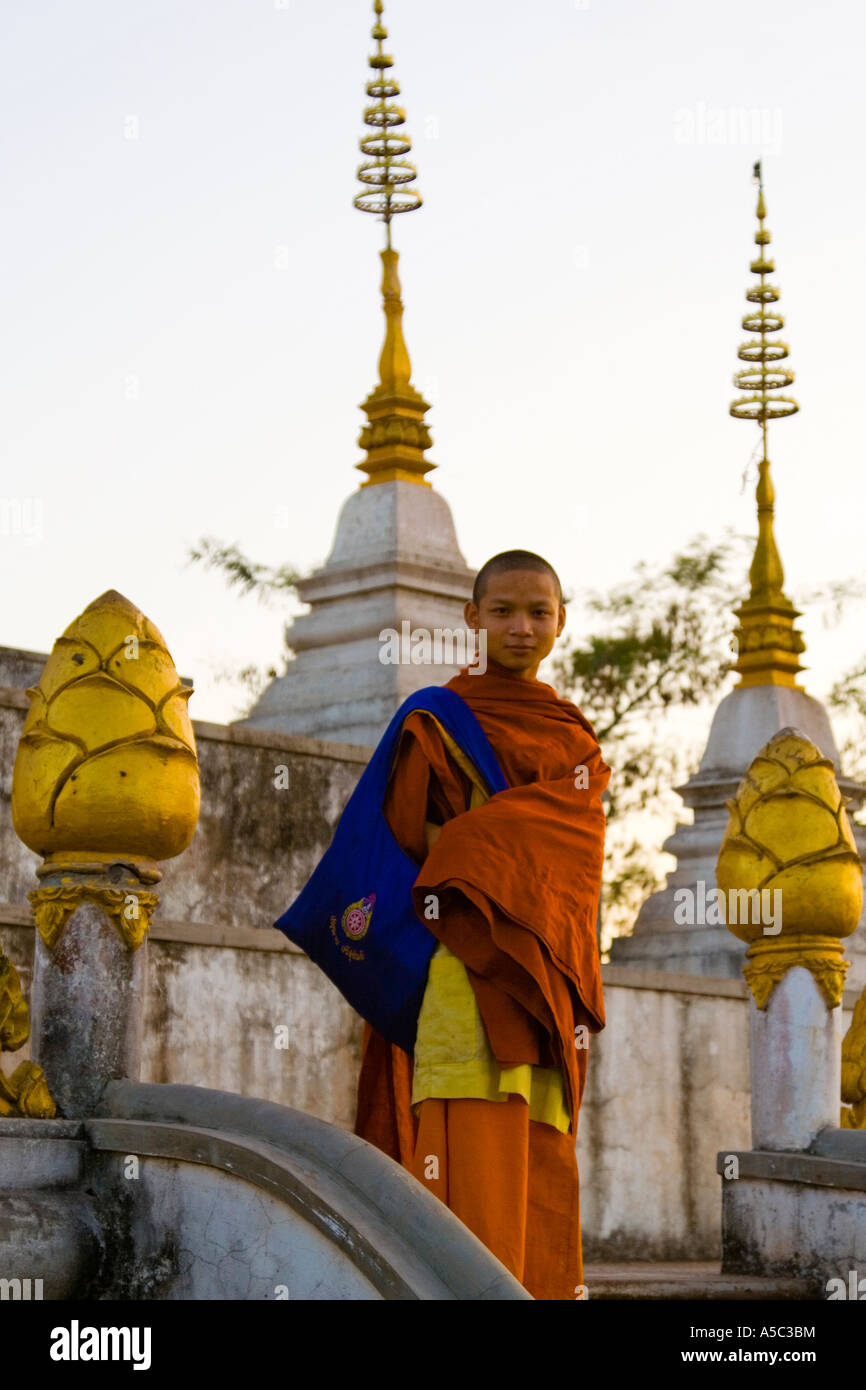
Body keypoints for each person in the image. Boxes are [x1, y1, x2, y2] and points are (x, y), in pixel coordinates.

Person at [354, 548, 610, 1300]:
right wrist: (490, 853)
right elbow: (420, 846)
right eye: (503, 611)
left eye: (539, 612)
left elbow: (572, 864)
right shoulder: (435, 720)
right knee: (463, 1171)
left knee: (540, 1172)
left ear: (562, 620)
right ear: (472, 618)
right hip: (465, 968)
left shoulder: (574, 738)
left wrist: (481, 845)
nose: (522, 627)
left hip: (547, 982)